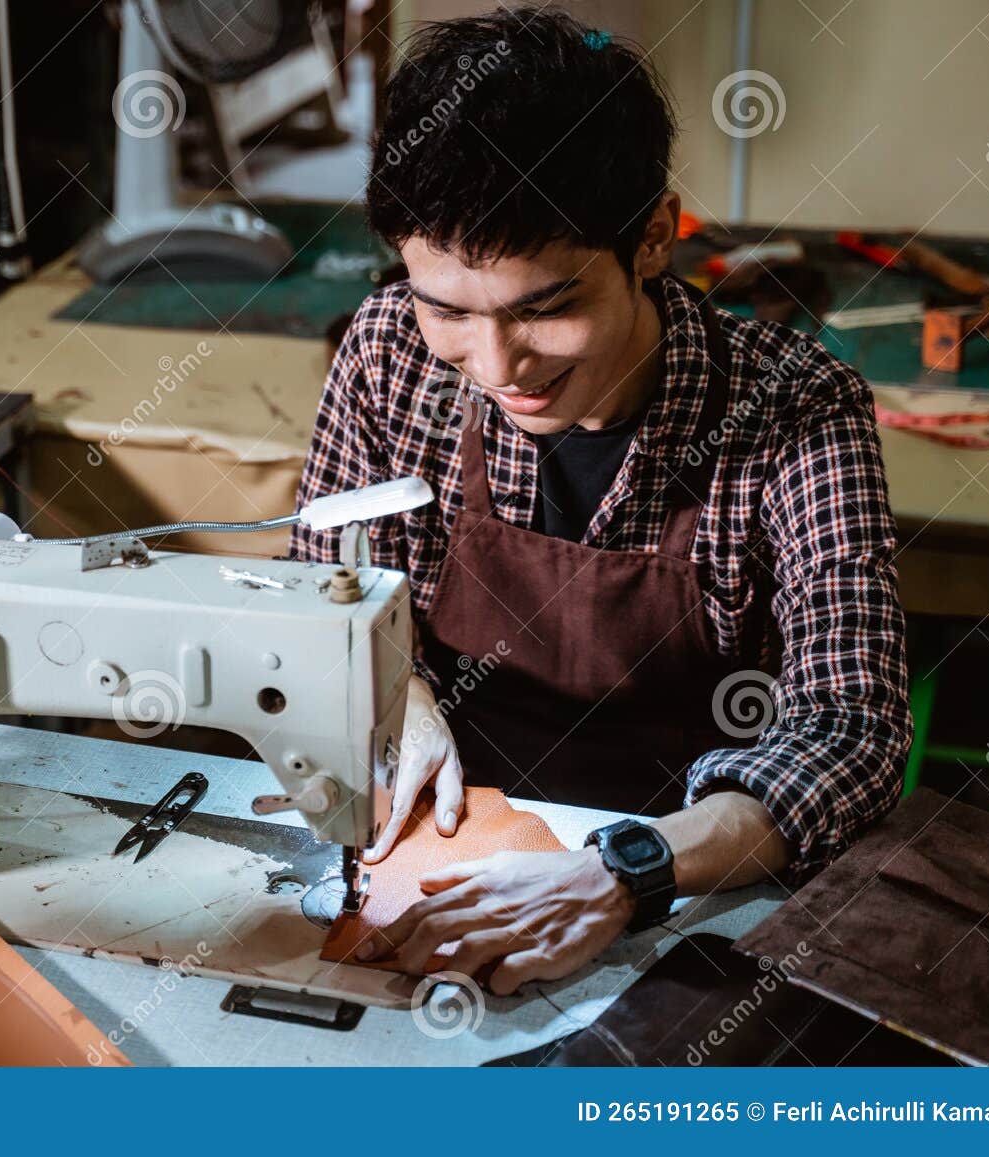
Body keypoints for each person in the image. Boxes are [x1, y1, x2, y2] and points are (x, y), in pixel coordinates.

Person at [289, 7, 910, 996]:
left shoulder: (792, 408)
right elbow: (327, 594)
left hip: (694, 875)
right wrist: (396, 700)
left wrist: (627, 869)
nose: (497, 368)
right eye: (448, 307)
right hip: (450, 837)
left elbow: (851, 735)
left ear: (653, 237)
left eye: (547, 308)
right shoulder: (385, 353)